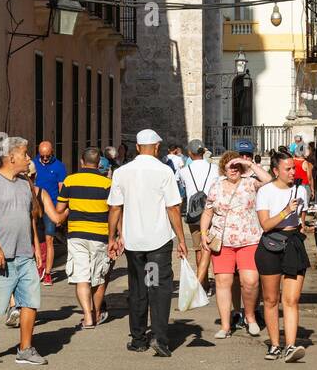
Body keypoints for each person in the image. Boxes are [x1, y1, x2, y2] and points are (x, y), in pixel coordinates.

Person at [0, 136, 63, 365]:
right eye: (25, 154)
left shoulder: (26, 184)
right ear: (11, 157)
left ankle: (25, 349)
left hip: (25, 255)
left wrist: (36, 247)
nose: (29, 159)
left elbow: (29, 220)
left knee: (30, 302)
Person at [107, 129, 186, 357]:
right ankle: (161, 339)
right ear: (158, 147)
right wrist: (181, 238)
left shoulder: (122, 172)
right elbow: (173, 207)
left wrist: (111, 237)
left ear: (139, 147)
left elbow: (114, 208)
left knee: (138, 287)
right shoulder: (164, 171)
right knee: (158, 288)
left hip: (133, 242)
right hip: (158, 242)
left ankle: (138, 338)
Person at [199, 151, 271, 339]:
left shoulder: (250, 183)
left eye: (236, 166)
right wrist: (204, 234)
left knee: (250, 281)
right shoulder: (215, 186)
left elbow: (269, 181)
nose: (233, 169)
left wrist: (249, 165)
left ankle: (250, 316)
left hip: (249, 239)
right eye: (230, 165)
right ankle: (225, 325)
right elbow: (207, 212)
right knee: (223, 283)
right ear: (223, 167)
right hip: (222, 242)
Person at [255, 149, 310, 362]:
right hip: (270, 244)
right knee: (270, 299)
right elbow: (265, 224)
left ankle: (290, 346)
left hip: (293, 243)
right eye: (288, 169)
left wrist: (299, 225)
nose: (292, 172)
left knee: (292, 299)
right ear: (276, 170)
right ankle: (274, 345)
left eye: (293, 168)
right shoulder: (266, 192)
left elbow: (302, 220)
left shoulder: (301, 190)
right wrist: (286, 212)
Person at [57, 147, 112, 328]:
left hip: (76, 234)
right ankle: (96, 314)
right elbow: (114, 212)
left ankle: (87, 317)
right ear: (98, 164)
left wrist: (69, 210)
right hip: (100, 235)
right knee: (97, 278)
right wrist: (116, 236)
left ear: (82, 161)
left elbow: (59, 209)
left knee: (82, 277)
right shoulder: (106, 184)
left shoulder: (70, 181)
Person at [179, 139, 219, 292]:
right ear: (204, 152)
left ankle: (203, 284)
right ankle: (216, 279)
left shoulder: (184, 171)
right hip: (212, 213)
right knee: (214, 247)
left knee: (198, 248)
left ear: (189, 153)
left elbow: (183, 187)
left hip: (194, 214)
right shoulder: (214, 168)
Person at [32, 140, 67, 284]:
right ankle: (37, 268)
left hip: (51, 207)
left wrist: (61, 211)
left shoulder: (59, 166)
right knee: (35, 239)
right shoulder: (33, 164)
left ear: (52, 152)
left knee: (49, 239)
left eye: (47, 156)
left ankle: (47, 273)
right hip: (35, 206)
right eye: (42, 156)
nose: (45, 159)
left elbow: (61, 189)